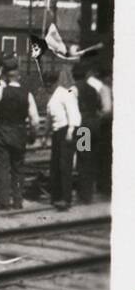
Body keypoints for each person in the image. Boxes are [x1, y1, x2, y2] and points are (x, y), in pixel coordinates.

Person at [0, 56, 40, 210]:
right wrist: (33, 135)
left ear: (6, 76)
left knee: (3, 168)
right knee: (18, 169)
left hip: (2, 133)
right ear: (19, 75)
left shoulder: (0, 91)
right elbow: (35, 120)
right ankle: (18, 201)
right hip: (19, 133)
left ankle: (4, 201)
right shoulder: (28, 95)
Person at [74, 62, 113, 204]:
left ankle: (85, 195)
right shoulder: (99, 88)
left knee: (83, 159)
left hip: (84, 127)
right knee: (92, 159)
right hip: (96, 126)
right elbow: (105, 109)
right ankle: (90, 191)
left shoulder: (76, 88)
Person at [42, 68, 80, 210]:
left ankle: (66, 198)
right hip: (57, 133)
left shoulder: (65, 94)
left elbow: (73, 113)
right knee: (55, 166)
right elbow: (49, 120)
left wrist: (71, 131)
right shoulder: (52, 97)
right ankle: (56, 197)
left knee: (66, 166)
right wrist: (46, 137)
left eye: (49, 84)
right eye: (46, 84)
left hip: (68, 131)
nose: (47, 87)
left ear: (54, 83)